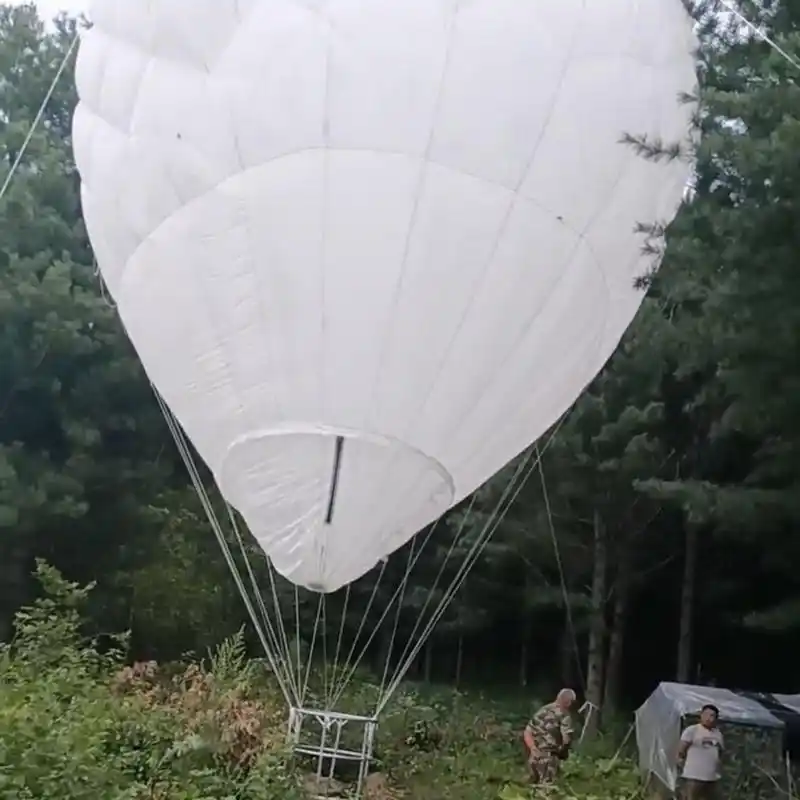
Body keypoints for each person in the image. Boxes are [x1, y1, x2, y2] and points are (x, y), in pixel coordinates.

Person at [523, 688, 576, 784]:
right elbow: (567, 740)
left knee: (531, 789)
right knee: (547, 792)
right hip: (549, 759)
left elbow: (527, 732)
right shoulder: (564, 715)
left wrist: (533, 748)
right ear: (569, 702)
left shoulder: (542, 711)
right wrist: (563, 753)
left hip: (534, 757)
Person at [677, 704, 724, 800]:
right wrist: (681, 763)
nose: (708, 718)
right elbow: (681, 749)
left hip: (712, 776)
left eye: (712, 716)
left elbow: (720, 751)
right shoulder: (692, 730)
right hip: (694, 775)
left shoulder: (717, 733)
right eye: (706, 714)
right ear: (701, 715)